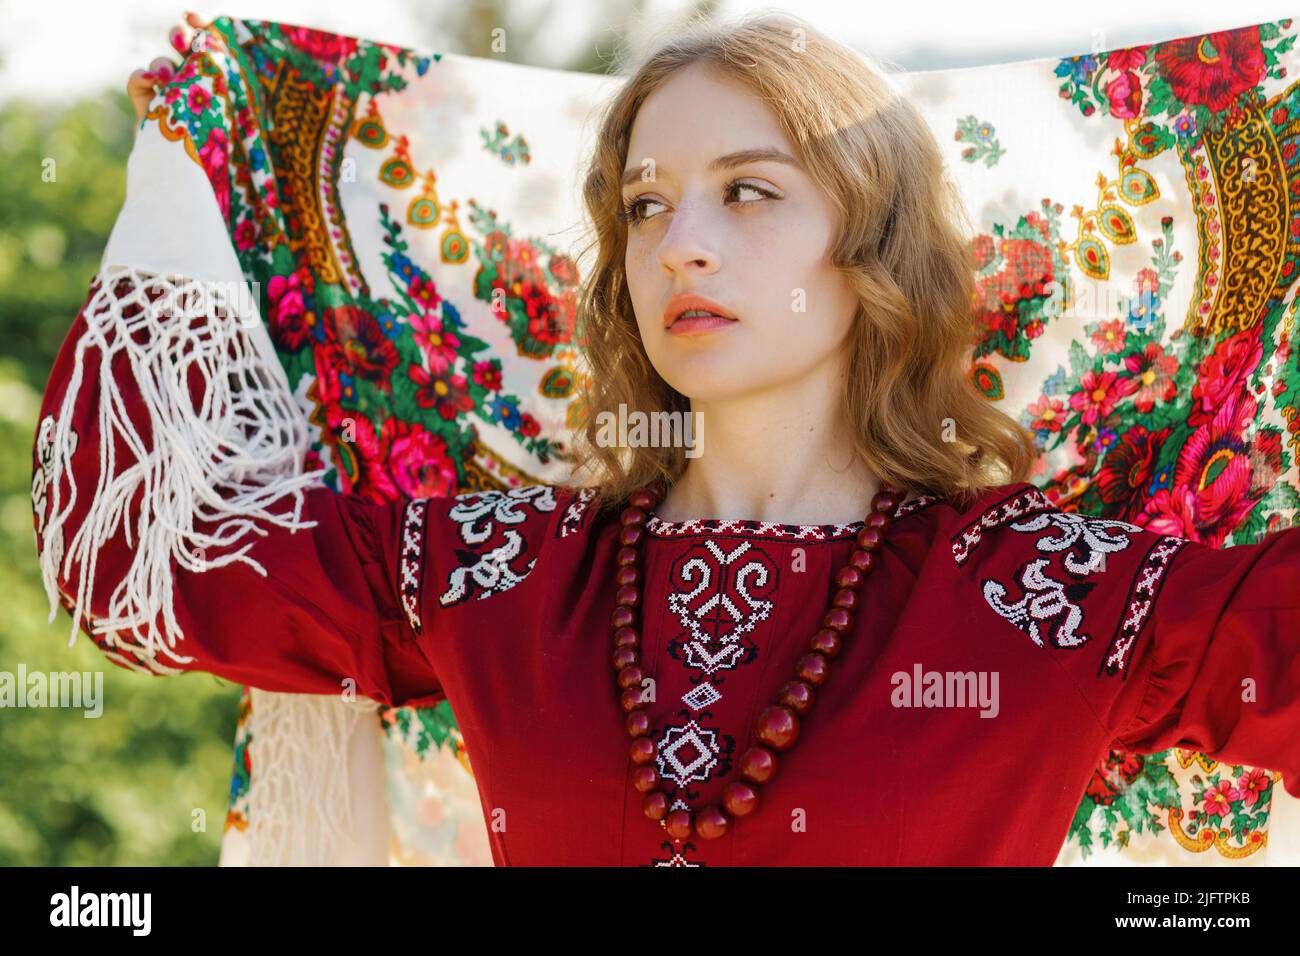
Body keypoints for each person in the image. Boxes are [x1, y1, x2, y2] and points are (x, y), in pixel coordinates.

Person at [35, 10, 1300, 867]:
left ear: (872, 248)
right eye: (647, 203)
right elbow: (142, 557)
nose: (679, 240)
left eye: (749, 189)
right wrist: (189, 172)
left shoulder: (1056, 597)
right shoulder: (508, 575)